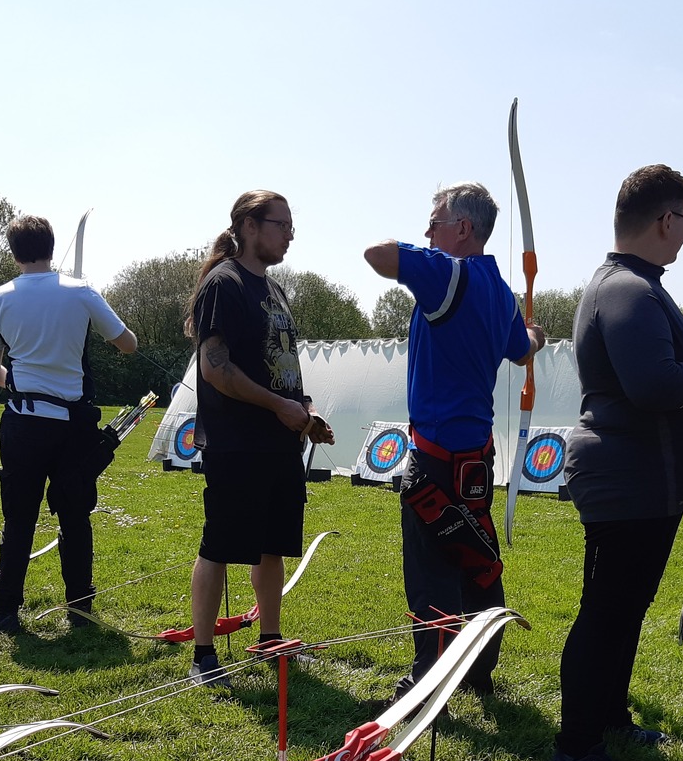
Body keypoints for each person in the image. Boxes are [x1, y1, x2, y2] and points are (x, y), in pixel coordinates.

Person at [551, 166, 683, 761]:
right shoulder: (629, 290)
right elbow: (654, 385)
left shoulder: (632, 286)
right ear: (666, 221)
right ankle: (578, 752)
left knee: (625, 607)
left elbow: (663, 379)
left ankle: (607, 715)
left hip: (643, 481)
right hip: (629, 481)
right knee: (607, 613)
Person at [364, 183, 544, 696]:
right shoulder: (500, 293)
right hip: (476, 460)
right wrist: (535, 336)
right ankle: (479, 673)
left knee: (432, 572)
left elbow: (376, 254)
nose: (427, 230)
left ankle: (430, 679)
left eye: (436, 220)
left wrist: (431, 259)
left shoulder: (451, 276)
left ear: (463, 228)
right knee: (475, 559)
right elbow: (521, 347)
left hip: (437, 460)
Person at [187, 190, 333, 685]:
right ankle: (203, 655)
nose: (290, 233)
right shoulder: (223, 286)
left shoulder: (274, 291)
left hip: (278, 445)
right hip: (237, 444)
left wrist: (305, 410)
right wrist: (279, 407)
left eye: (291, 225)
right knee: (220, 545)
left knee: (273, 547)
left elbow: (281, 368)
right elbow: (216, 370)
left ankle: (270, 639)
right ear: (250, 226)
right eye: (281, 224)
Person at [0, 216, 137, 632]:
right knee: (75, 516)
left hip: (24, 425)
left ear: (13, 251)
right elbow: (128, 344)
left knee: (20, 517)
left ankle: (4, 610)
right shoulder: (80, 291)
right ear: (51, 245)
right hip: (73, 428)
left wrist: (27, 387)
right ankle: (80, 608)